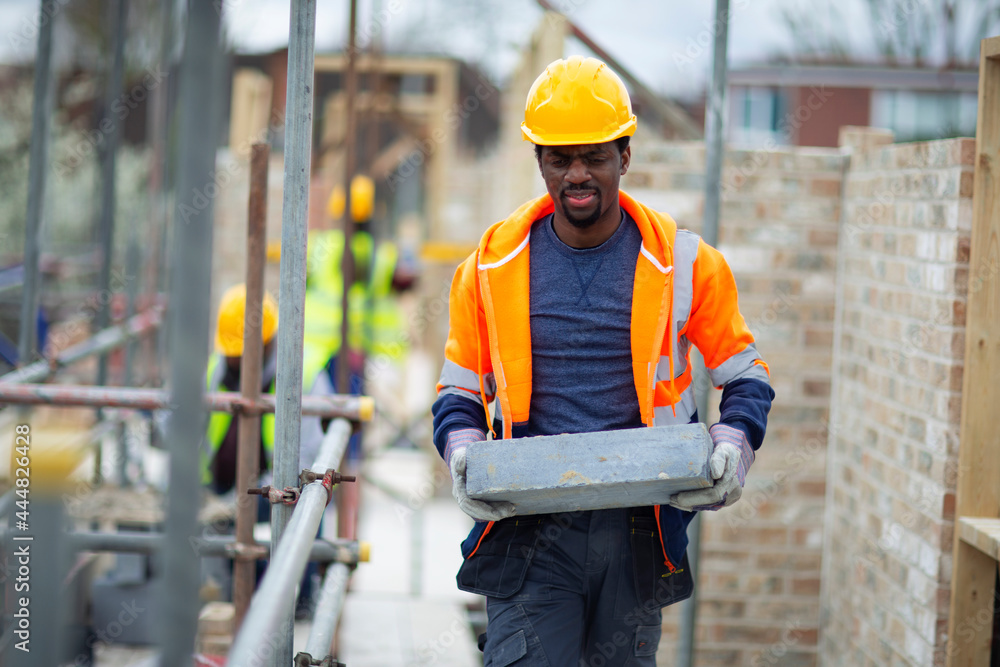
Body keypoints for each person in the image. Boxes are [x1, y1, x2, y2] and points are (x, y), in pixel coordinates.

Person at [431, 56, 774, 665]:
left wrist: (734, 441)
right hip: (529, 528)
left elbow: (745, 375)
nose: (577, 174)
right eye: (560, 159)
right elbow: (457, 392)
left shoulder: (687, 265)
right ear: (539, 161)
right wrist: (460, 447)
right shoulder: (488, 268)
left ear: (625, 156)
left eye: (594, 156)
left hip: (637, 530)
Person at [202, 283, 327, 616]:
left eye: (242, 355)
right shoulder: (218, 369)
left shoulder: (304, 373)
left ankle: (300, 600)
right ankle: (228, 594)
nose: (234, 362)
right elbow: (188, 431)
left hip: (278, 486)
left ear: (269, 343)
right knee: (214, 534)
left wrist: (245, 499)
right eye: (231, 355)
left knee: (309, 508)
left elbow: (309, 458)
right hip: (222, 485)